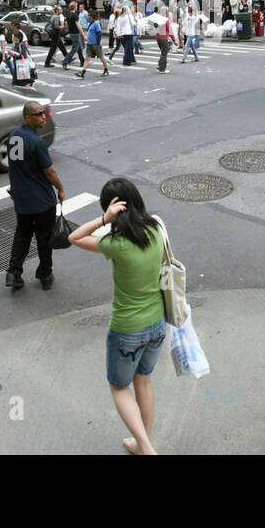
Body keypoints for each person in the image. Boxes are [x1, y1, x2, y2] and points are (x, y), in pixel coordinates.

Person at [65, 178, 167, 455]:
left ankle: (146, 448)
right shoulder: (156, 229)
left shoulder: (115, 243)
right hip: (157, 322)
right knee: (144, 381)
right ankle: (142, 441)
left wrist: (102, 219)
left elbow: (73, 238)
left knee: (120, 387)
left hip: (127, 329)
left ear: (113, 208)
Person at [4, 102, 63, 290]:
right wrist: (60, 189)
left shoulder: (13, 135)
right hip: (42, 200)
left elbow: (15, 166)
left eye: (43, 113)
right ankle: (45, 274)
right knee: (44, 238)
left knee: (22, 234)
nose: (43, 116)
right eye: (38, 114)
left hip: (21, 199)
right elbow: (50, 172)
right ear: (28, 117)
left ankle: (13, 273)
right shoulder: (37, 143)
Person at [80, 9, 111, 77]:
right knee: (87, 58)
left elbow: (99, 33)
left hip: (95, 44)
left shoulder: (96, 23)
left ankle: (106, 70)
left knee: (101, 57)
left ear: (91, 16)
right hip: (89, 44)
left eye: (88, 15)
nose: (87, 16)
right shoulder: (90, 23)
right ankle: (83, 72)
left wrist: (97, 43)